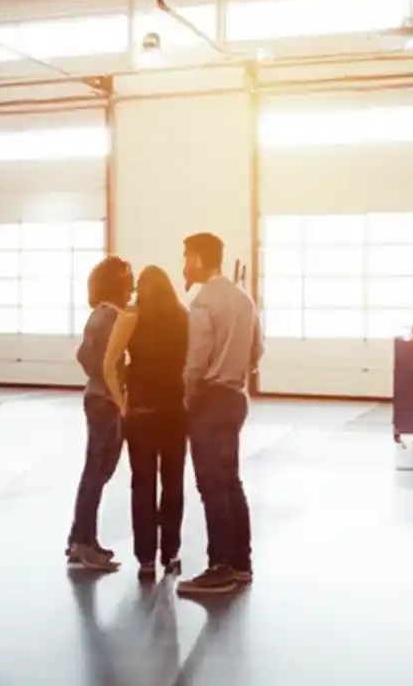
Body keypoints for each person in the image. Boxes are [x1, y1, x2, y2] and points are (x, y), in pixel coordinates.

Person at [176, 233, 263, 597]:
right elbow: (257, 351)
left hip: (211, 400)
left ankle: (219, 566)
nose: (183, 264)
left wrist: (186, 400)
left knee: (211, 484)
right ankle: (241, 562)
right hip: (236, 397)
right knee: (230, 480)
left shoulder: (203, 302)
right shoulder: (245, 301)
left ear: (195, 259)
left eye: (185, 256)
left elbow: (196, 361)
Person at [67, 256, 136, 571]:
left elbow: (83, 355)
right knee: (98, 470)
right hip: (106, 400)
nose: (132, 285)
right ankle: (83, 543)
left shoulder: (96, 315)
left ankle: (82, 537)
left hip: (93, 396)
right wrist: (119, 399)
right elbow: (108, 365)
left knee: (96, 469)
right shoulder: (115, 317)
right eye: (128, 279)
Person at [124, 266, 190, 581]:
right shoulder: (182, 317)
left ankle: (145, 558)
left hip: (139, 410)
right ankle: (171, 553)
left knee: (142, 482)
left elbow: (115, 358)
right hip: (174, 410)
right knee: (173, 482)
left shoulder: (132, 317)